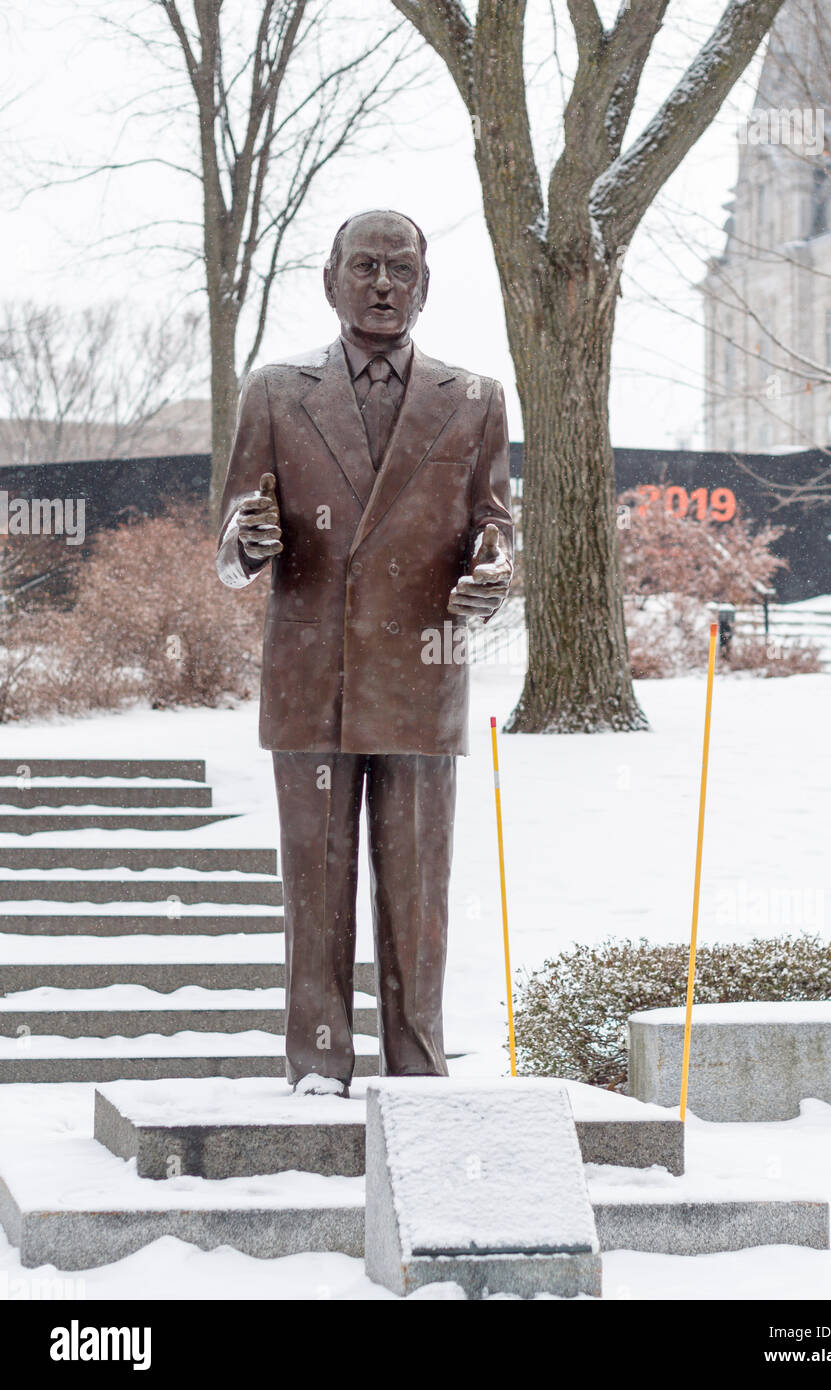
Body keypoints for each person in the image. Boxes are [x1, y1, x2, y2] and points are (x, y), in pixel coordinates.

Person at [216, 209, 513, 1096]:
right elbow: (230, 539)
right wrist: (250, 538)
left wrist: (495, 569)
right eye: (365, 266)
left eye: (400, 268)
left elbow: (495, 524)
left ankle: (417, 1064)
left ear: (424, 284)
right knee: (316, 886)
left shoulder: (473, 398)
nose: (382, 283)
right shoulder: (275, 391)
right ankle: (317, 1063)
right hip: (313, 676)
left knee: (419, 893)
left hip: (421, 677)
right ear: (331, 279)